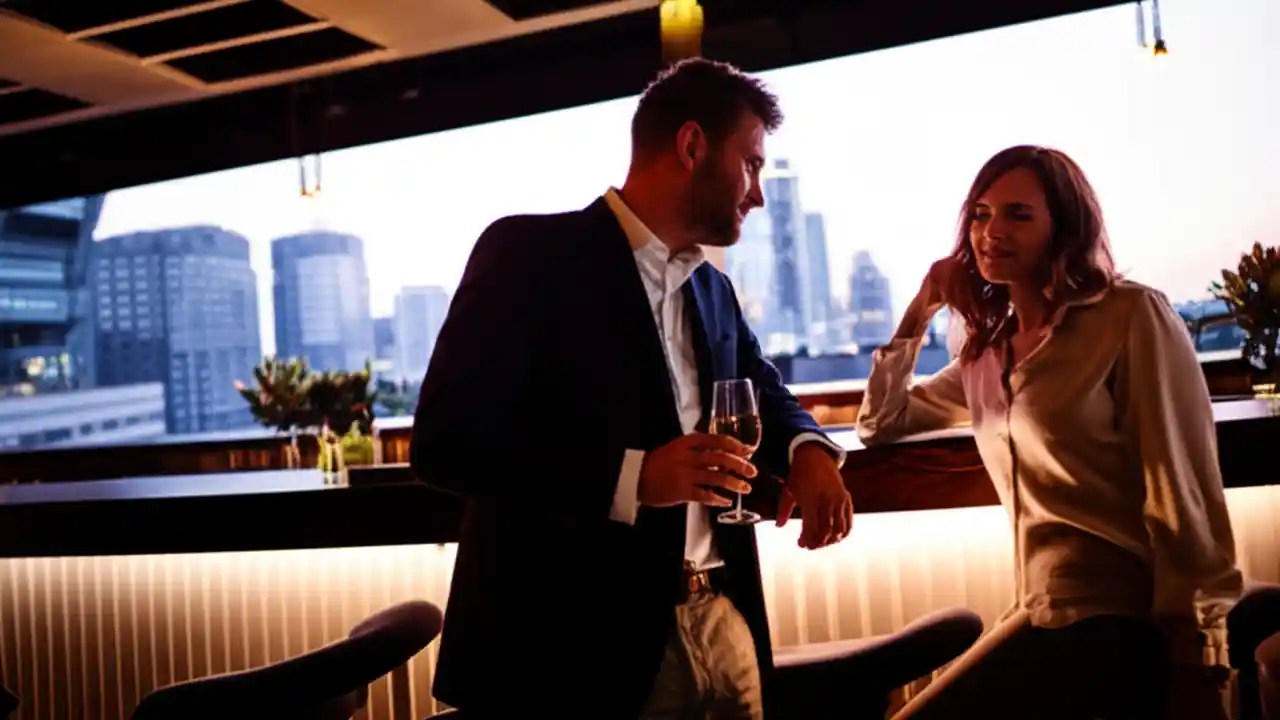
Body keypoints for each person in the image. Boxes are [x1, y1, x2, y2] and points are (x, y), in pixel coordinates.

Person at [411, 58, 854, 719]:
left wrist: (808, 450)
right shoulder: (528, 254)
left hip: (722, 620)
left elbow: (761, 388)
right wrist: (635, 478)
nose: (758, 194)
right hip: (571, 652)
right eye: (752, 164)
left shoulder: (712, 286)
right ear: (692, 145)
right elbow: (446, 445)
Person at [856, 144, 1242, 719]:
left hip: (1123, 622)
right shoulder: (987, 353)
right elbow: (879, 423)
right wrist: (921, 307)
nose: (991, 231)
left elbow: (1182, 491)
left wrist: (1201, 652)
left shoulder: (1130, 316)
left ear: (1063, 228)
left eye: (1018, 214)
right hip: (1038, 614)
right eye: (981, 214)